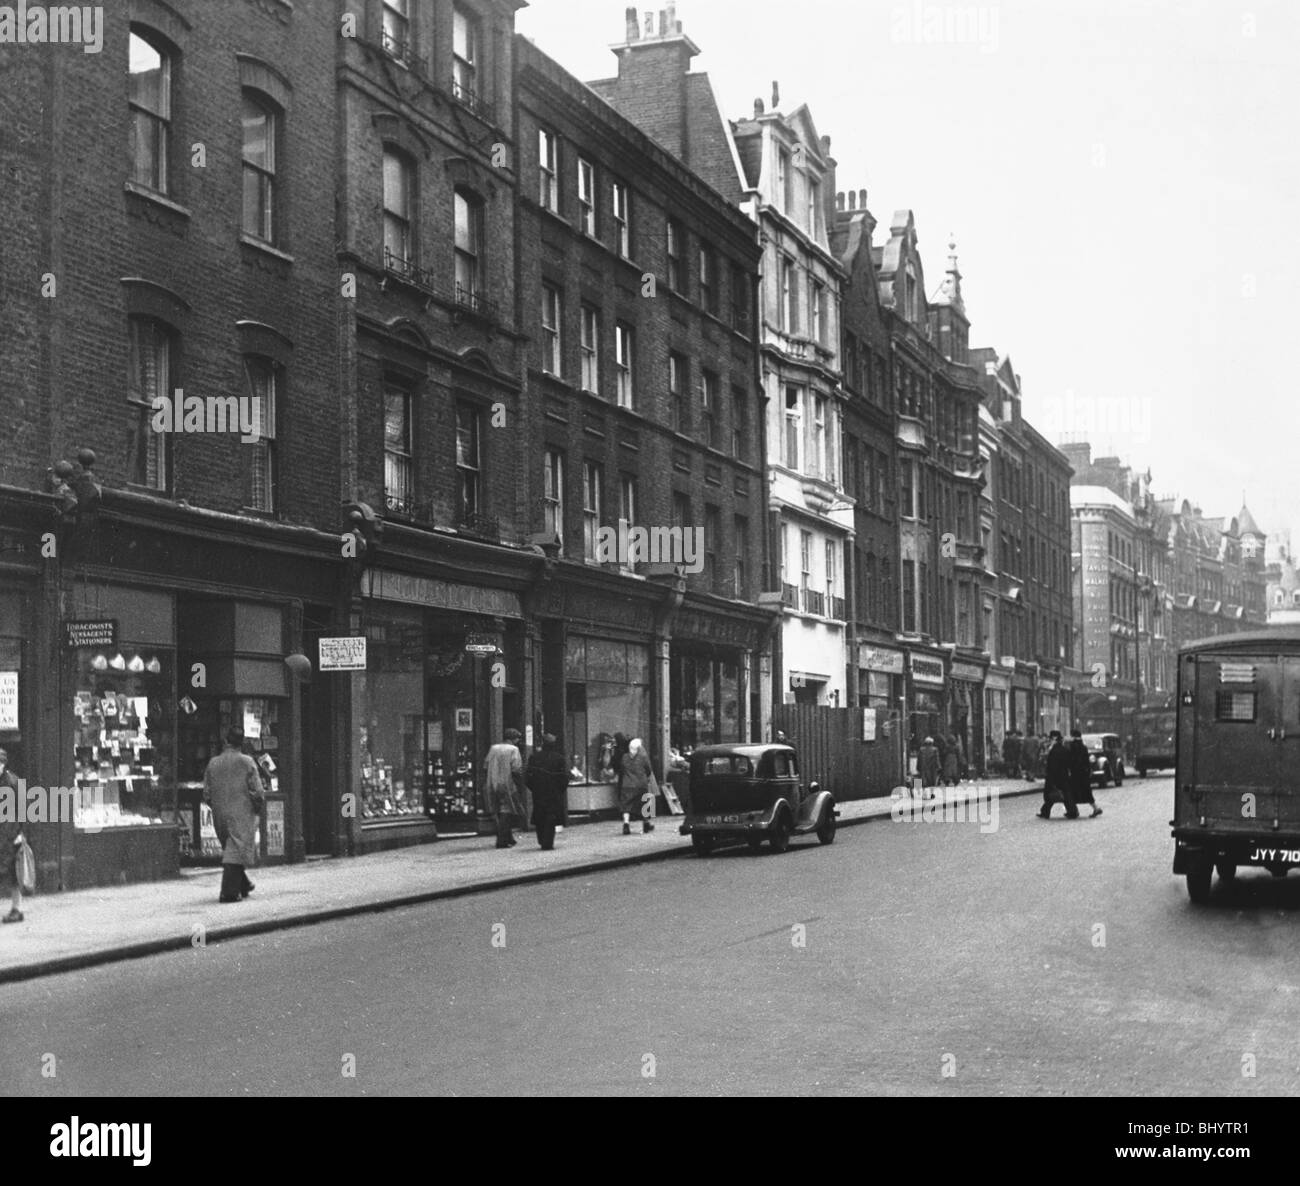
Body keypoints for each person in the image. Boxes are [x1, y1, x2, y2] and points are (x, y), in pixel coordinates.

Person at [204, 729, 265, 903]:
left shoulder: (213, 763)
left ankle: (244, 884)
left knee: (232, 848)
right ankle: (229, 892)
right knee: (237, 848)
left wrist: (217, 806)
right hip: (242, 813)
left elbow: (207, 793)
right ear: (241, 742)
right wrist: (256, 808)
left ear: (225, 741)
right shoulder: (247, 762)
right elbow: (258, 792)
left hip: (220, 814)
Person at [525, 734, 569, 851]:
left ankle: (541, 839)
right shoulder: (559, 758)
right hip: (554, 792)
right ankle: (548, 841)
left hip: (539, 792)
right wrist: (560, 790)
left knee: (540, 816)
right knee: (551, 816)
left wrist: (534, 788)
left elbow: (528, 777)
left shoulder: (534, 757)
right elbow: (564, 778)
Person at [484, 728, 526, 849]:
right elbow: (516, 769)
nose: (518, 741)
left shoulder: (493, 748)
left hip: (492, 782)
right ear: (514, 739)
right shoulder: (514, 749)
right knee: (506, 810)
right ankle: (501, 840)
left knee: (498, 809)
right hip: (507, 783)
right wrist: (519, 784)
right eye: (517, 738)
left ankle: (509, 838)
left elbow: (485, 765)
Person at [0, 749, 26, 923]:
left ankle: (17, 909)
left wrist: (21, 833)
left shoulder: (14, 782)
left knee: (13, 875)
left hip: (10, 834)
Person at [620, 737, 658, 834]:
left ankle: (626, 825)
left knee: (626, 805)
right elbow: (649, 769)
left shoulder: (624, 757)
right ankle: (646, 824)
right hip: (641, 784)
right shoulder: (643, 757)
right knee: (644, 804)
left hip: (627, 785)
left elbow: (622, 769)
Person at [1069, 729, 1101, 818]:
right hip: (1084, 772)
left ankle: (1074, 811)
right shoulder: (1083, 746)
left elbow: (1071, 759)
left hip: (1075, 773)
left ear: (1073, 736)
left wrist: (1070, 769)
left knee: (1073, 792)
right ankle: (1096, 807)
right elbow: (1086, 760)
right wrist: (1088, 770)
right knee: (1086, 792)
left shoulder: (1072, 746)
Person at [1038, 731, 1070, 819]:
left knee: (1049, 794)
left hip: (1053, 775)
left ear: (1054, 739)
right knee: (1065, 794)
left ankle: (1045, 812)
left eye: (1051, 739)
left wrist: (1049, 774)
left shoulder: (1053, 750)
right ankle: (1072, 811)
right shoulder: (1064, 749)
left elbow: (1051, 764)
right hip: (1063, 775)